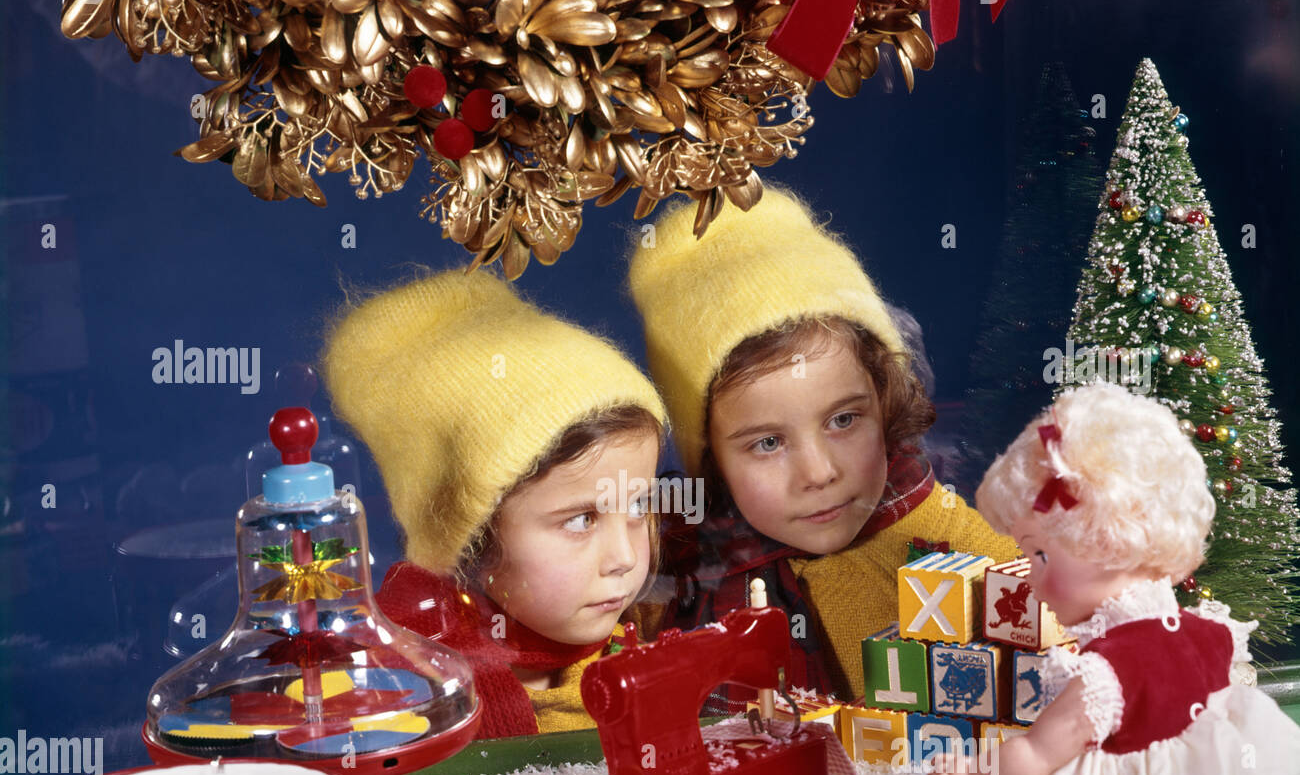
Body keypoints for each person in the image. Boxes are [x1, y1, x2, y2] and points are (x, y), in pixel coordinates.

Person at [879, 381, 1300, 775]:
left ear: (1108, 544)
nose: (1027, 576)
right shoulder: (1210, 631)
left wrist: (968, 771)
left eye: (1040, 554)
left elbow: (1029, 760)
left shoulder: (1104, 673)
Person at [627, 187, 1018, 711]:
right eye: (767, 443)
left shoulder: (950, 543)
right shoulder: (683, 579)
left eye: (843, 420)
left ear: (885, 401)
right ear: (713, 458)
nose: (818, 473)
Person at [321, 269, 668, 737]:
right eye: (582, 519)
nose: (625, 559)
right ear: (472, 539)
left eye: (637, 507)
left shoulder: (655, 636)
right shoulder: (405, 695)